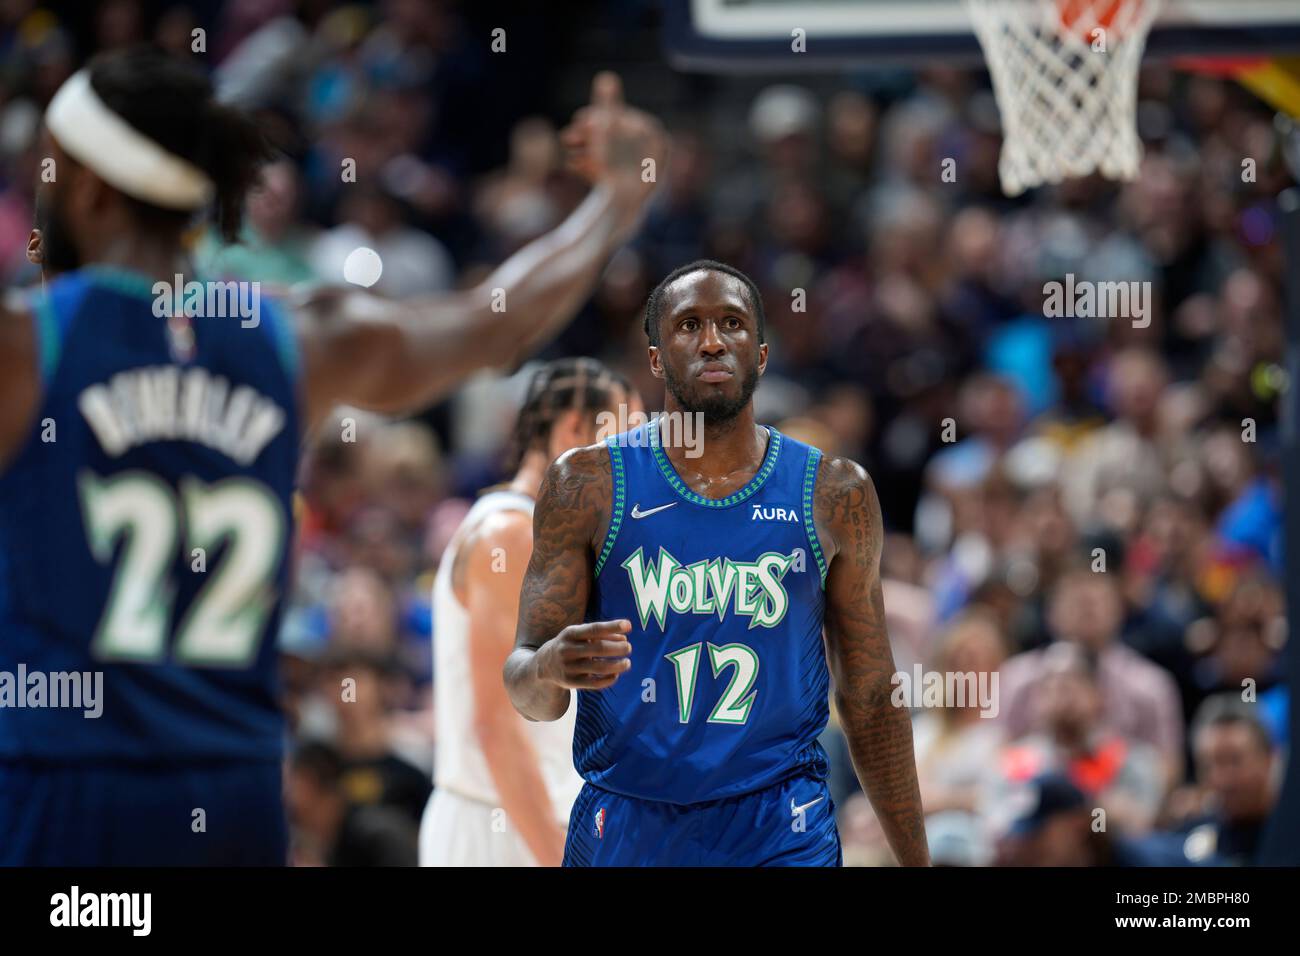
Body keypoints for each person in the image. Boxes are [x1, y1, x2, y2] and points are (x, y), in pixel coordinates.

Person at [0, 47, 664, 865]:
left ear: (89, 186)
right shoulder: (295, 337)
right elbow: (496, 322)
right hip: (233, 792)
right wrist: (616, 201)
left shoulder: (27, 347)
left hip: (66, 786)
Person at [504, 259, 930, 866]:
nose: (711, 341)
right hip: (629, 819)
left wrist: (916, 861)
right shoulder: (587, 482)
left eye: (731, 323)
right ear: (655, 359)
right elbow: (528, 688)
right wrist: (548, 666)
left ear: (759, 353)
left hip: (781, 825)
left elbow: (869, 696)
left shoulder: (834, 492)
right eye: (688, 325)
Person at [420, 358, 641, 867]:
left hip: (533, 814)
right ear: (572, 428)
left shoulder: (550, 535)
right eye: (624, 435)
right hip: (498, 822)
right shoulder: (511, 535)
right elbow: (498, 728)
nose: (634, 459)